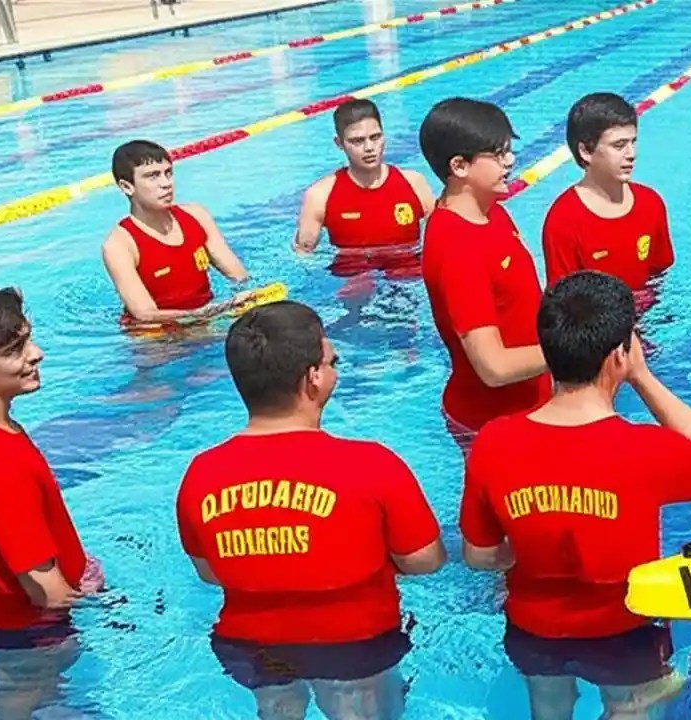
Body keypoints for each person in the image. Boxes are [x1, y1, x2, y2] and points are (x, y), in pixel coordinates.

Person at [459, 271, 691, 720]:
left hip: (533, 632)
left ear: (546, 348)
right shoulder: (642, 450)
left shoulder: (493, 443)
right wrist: (643, 378)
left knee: (548, 709)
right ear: (619, 355)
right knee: (638, 703)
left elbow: (479, 556)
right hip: (623, 632)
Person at [175, 301, 446, 720]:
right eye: (332, 361)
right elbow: (425, 560)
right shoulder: (371, 465)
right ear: (313, 378)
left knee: (277, 710)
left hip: (251, 650)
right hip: (355, 648)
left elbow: (210, 572)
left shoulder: (200, 474)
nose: (335, 368)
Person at [0, 287, 101, 720]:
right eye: (14, 350)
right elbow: (47, 592)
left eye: (28, 340)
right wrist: (102, 610)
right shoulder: (0, 464)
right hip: (31, 634)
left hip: (4, 619)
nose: (36, 354)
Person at [418, 97, 551, 452]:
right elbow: (493, 367)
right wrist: (578, 353)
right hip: (492, 424)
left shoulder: (491, 212)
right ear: (459, 166)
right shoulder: (458, 247)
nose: (511, 161)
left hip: (530, 404)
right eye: (498, 153)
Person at [542, 93, 673, 311]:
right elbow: (563, 306)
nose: (631, 154)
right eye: (619, 145)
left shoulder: (651, 203)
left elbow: (658, 275)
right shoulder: (563, 221)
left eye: (633, 142)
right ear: (586, 151)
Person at [102, 140, 254, 329]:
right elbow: (145, 314)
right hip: (158, 336)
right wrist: (211, 312)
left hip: (206, 318)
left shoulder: (197, 216)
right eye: (153, 176)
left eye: (168, 173)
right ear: (127, 187)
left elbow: (240, 278)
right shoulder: (119, 245)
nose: (166, 184)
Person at [294, 99, 437, 279]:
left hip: (409, 275)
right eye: (357, 141)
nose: (369, 148)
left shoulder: (414, 183)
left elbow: (442, 238)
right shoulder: (320, 195)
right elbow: (303, 256)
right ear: (339, 143)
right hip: (352, 277)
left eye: (375, 137)